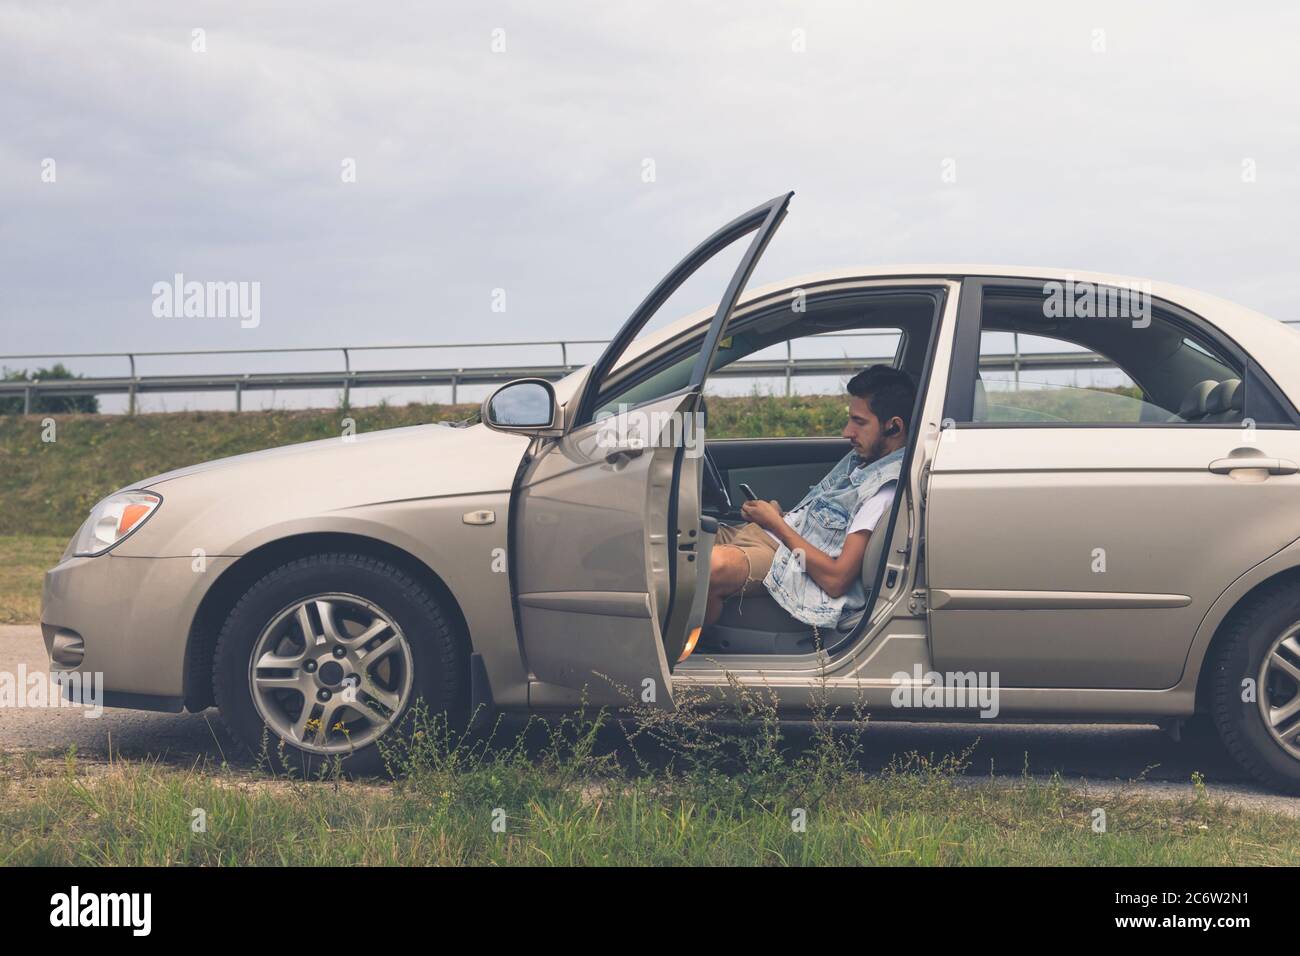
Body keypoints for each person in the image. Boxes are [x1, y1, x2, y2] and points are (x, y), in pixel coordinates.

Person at [705, 365, 915, 629]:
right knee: (673, 538)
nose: (847, 432)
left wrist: (776, 525)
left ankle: (684, 656)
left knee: (707, 567)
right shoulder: (864, 461)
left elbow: (837, 580)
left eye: (859, 422)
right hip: (768, 536)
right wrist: (781, 519)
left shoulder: (883, 491)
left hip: (784, 557)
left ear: (894, 427)